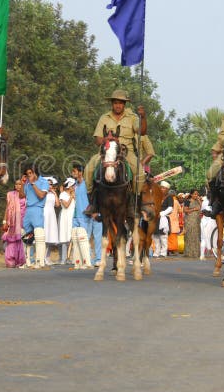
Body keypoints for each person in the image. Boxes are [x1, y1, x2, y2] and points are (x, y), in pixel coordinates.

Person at [83, 89, 148, 217]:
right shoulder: (104, 118)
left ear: (125, 104)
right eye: (115, 103)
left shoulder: (133, 117)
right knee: (88, 169)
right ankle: (92, 202)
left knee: (139, 172)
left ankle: (134, 204)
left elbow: (143, 131)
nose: (118, 105)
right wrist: (105, 139)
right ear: (112, 104)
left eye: (121, 103)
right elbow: (97, 139)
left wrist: (143, 117)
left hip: (125, 151)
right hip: (106, 152)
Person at [22, 163, 50, 268]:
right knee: (26, 237)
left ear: (35, 172)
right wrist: (22, 182)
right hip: (28, 210)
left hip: (37, 209)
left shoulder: (43, 182)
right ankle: (28, 261)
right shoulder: (27, 183)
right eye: (27, 174)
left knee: (39, 236)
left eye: (30, 173)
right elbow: (21, 195)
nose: (29, 175)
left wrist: (33, 184)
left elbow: (41, 195)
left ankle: (40, 262)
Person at [1, 179, 27, 268]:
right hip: (12, 221)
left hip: (23, 220)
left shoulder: (26, 195)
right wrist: (4, 221)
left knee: (20, 240)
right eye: (16, 184)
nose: (18, 186)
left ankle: (20, 261)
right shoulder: (10, 194)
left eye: (20, 184)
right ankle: (10, 260)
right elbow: (7, 208)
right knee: (11, 241)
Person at [43, 176, 60, 266]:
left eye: (51, 184)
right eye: (48, 184)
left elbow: (57, 204)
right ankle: (42, 257)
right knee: (44, 236)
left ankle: (47, 257)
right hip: (44, 214)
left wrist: (55, 193)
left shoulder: (53, 193)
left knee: (51, 236)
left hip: (51, 215)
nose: (50, 186)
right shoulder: (43, 193)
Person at [58, 178, 76, 265]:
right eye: (73, 186)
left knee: (72, 238)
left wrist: (74, 197)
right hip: (65, 217)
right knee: (65, 237)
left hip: (72, 217)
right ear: (69, 186)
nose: (74, 187)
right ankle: (63, 258)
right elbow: (66, 205)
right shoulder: (63, 194)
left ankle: (71, 257)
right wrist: (71, 197)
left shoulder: (74, 195)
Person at [153, 181, 172, 258]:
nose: (162, 189)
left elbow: (170, 208)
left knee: (163, 236)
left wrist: (161, 214)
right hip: (155, 217)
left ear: (167, 189)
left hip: (163, 218)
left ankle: (163, 252)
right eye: (161, 187)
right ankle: (156, 251)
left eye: (163, 188)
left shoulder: (169, 197)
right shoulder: (156, 196)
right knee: (155, 235)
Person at [182, 189, 202, 258]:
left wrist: (199, 200)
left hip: (197, 221)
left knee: (196, 236)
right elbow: (185, 210)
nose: (196, 195)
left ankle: (196, 253)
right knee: (190, 236)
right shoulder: (187, 201)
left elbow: (201, 208)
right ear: (191, 194)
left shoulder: (198, 201)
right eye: (195, 194)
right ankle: (189, 253)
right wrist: (194, 209)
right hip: (190, 221)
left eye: (197, 194)